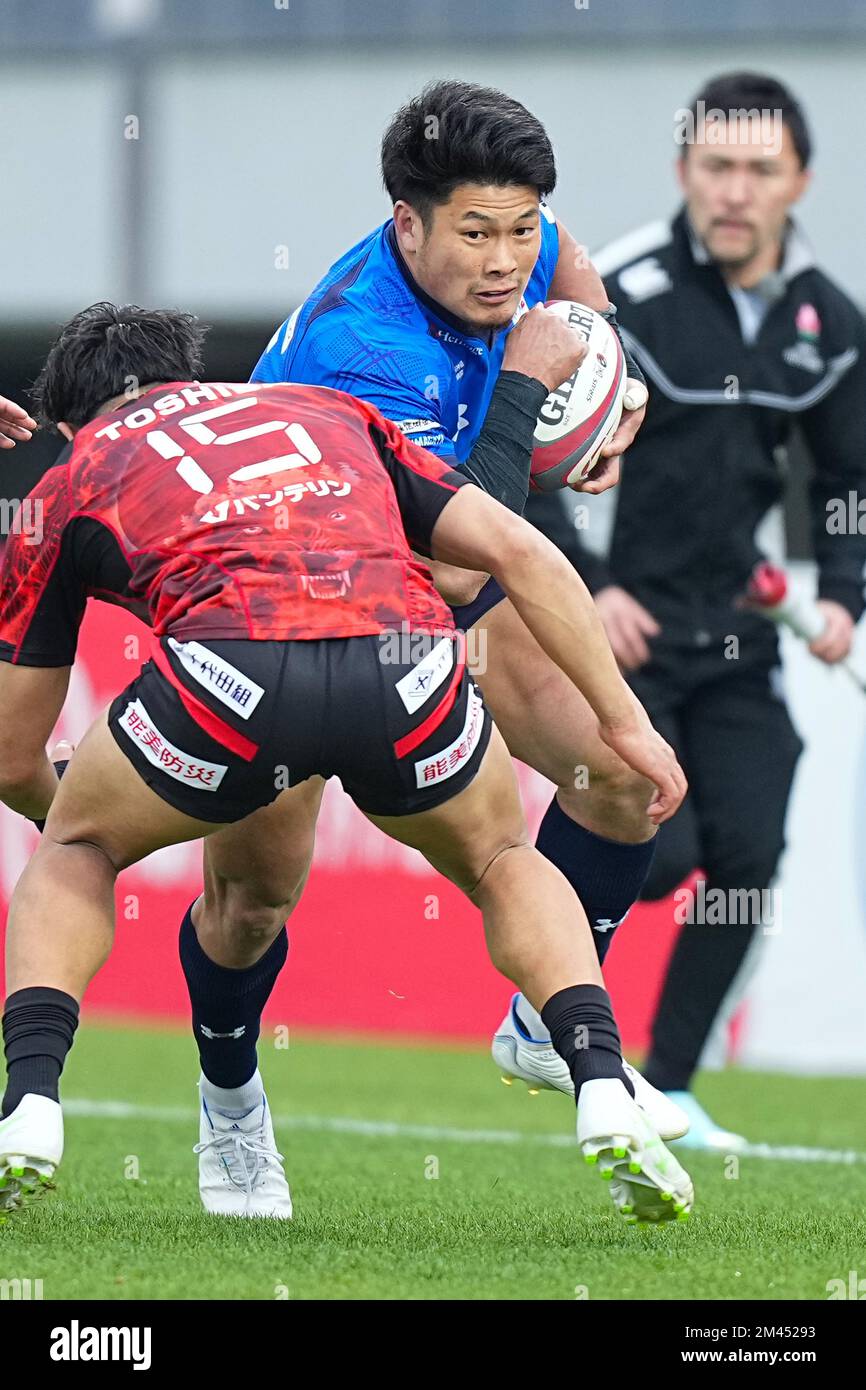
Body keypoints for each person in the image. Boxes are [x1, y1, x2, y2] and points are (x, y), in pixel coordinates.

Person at [0, 302, 693, 1226]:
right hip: (407, 664)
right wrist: (626, 723)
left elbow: (10, 754)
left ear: (69, 418)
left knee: (78, 853)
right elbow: (519, 552)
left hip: (229, 673)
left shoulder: (72, 472)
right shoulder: (325, 410)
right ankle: (601, 1078)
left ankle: (33, 1100)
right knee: (500, 859)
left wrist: (84, 819)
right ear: (199, 379)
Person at [191, 78, 679, 1126]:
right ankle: (228, 1099)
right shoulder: (360, 349)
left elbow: (574, 276)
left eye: (518, 227)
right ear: (403, 225)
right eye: (474, 233)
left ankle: (544, 1029)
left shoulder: (518, 240)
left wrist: (608, 387)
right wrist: (526, 393)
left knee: (620, 783)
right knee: (252, 901)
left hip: (433, 582)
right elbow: (459, 565)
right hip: (291, 615)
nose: (505, 260)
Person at [555, 72, 866, 1148]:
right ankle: (540, 998)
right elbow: (527, 447)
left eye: (758, 171)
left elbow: (843, 476)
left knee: (749, 847)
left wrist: (840, 593)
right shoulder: (614, 292)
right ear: (684, 172)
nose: (734, 192)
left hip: (736, 634)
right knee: (663, 844)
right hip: (618, 631)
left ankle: (671, 1083)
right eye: (715, 168)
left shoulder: (828, 319)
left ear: (797, 182)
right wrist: (585, 589)